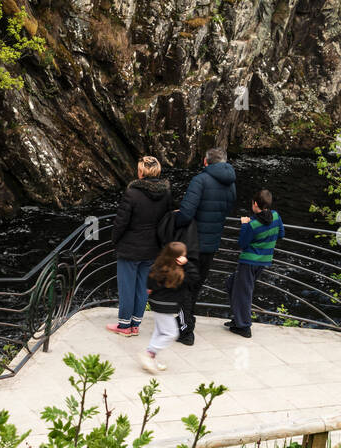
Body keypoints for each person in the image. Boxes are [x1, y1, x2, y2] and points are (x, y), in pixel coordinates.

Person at [173, 147, 237, 344]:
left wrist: (174, 222)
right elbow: (229, 208)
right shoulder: (231, 184)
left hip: (193, 243)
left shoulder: (199, 180)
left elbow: (186, 213)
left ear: (205, 161)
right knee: (196, 284)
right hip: (212, 243)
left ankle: (186, 331)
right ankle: (186, 320)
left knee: (184, 284)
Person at [108, 155, 172, 336]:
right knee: (142, 288)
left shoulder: (132, 193)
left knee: (127, 288)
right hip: (153, 248)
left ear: (141, 172)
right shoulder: (166, 192)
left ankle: (124, 326)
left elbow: (121, 222)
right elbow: (167, 219)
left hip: (130, 248)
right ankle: (135, 325)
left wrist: (115, 241)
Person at [225, 188, 284, 338]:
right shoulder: (276, 216)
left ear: (255, 204)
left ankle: (244, 327)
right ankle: (238, 319)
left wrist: (245, 224)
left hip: (249, 262)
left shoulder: (253, 224)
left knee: (244, 293)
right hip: (264, 261)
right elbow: (281, 234)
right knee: (231, 284)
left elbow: (243, 244)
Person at [140, 241, 188, 373]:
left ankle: (151, 358)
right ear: (178, 257)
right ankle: (149, 354)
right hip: (166, 306)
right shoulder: (178, 272)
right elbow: (193, 279)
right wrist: (186, 265)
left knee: (159, 331)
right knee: (171, 333)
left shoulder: (158, 266)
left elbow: (149, 284)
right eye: (184, 255)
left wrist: (150, 289)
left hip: (156, 303)